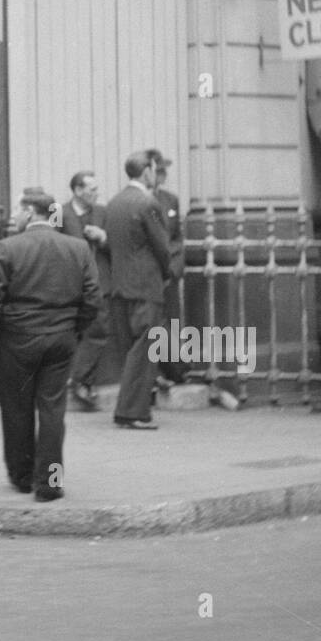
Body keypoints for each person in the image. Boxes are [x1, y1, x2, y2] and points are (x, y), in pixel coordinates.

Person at [0, 190, 101, 502]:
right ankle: (50, 482)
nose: (15, 217)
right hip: (61, 338)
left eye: (19, 210)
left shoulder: (7, 248)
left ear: (32, 211)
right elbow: (92, 299)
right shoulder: (78, 248)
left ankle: (22, 477)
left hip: (15, 339)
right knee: (52, 410)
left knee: (17, 409)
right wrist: (75, 330)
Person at [103, 152, 172, 430]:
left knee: (134, 349)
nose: (155, 175)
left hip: (121, 286)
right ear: (146, 172)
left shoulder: (114, 203)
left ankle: (135, 410)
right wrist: (165, 275)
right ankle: (132, 412)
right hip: (145, 286)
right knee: (146, 350)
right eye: (154, 170)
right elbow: (163, 248)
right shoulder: (148, 203)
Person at [58, 171, 113, 410]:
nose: (96, 194)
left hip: (100, 283)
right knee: (69, 333)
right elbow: (48, 243)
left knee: (98, 331)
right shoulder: (57, 211)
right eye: (91, 189)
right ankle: (79, 382)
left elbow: (119, 245)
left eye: (97, 189)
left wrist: (103, 238)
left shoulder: (103, 212)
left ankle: (80, 381)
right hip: (69, 284)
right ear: (77, 191)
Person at [145, 149, 185, 390]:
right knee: (149, 324)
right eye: (158, 170)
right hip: (147, 273)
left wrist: (174, 269)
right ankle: (154, 373)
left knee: (170, 322)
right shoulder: (135, 200)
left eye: (164, 170)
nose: (163, 175)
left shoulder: (170, 199)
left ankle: (172, 371)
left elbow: (177, 238)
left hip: (168, 274)